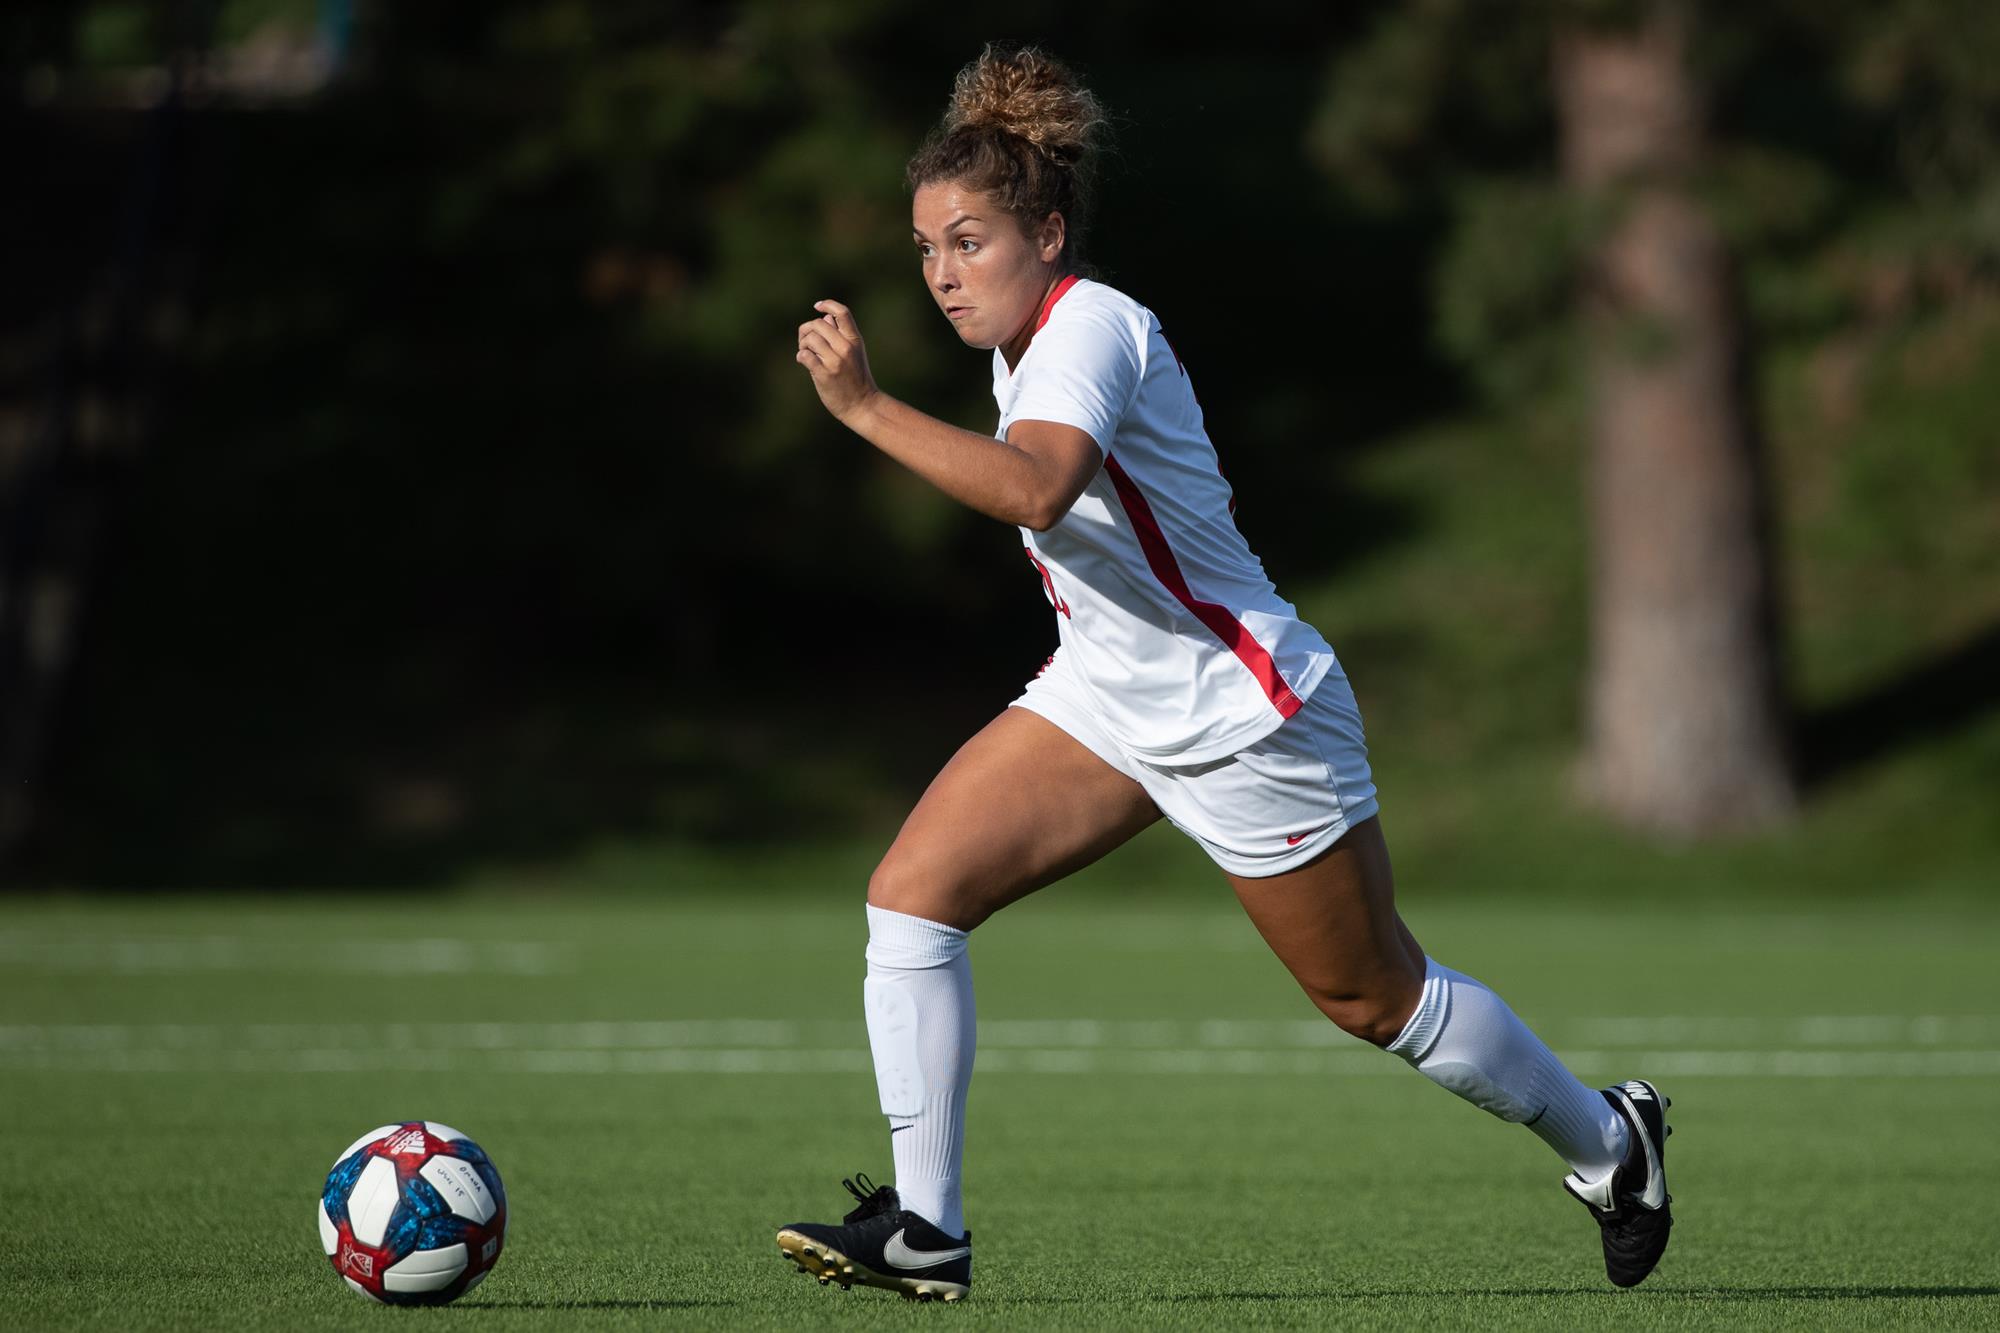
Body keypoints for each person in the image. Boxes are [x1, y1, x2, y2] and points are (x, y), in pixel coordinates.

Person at [778, 44, 1672, 1304]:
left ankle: (1606, 1141)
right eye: (925, 248)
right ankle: (928, 1228)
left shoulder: (1090, 326)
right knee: (909, 902)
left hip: (1244, 712)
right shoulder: (1019, 344)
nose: (939, 273)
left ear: (1045, 230)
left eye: (966, 242)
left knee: (1375, 999)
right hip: (1105, 697)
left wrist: (867, 410)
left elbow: (1035, 484)